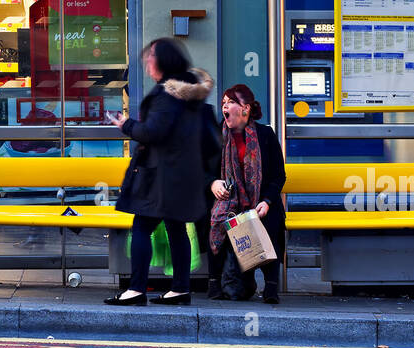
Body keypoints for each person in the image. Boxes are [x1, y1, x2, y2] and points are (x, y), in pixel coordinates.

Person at [104, 38, 217, 306]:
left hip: (162, 176)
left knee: (142, 226)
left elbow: (154, 132)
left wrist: (127, 125)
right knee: (176, 228)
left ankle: (137, 289)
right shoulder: (189, 93)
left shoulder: (167, 95)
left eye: (150, 56)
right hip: (181, 173)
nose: (146, 61)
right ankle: (180, 289)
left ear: (163, 61)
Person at [208, 84, 286, 304]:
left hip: (259, 200)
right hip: (229, 199)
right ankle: (214, 281)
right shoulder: (216, 134)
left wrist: (268, 201)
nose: (225, 106)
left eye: (230, 102)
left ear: (245, 108)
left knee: (270, 221)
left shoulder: (265, 135)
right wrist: (213, 182)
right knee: (217, 217)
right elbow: (203, 170)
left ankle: (271, 286)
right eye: (223, 102)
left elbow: (279, 176)